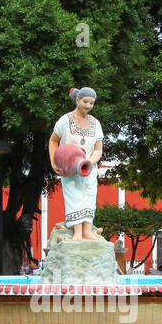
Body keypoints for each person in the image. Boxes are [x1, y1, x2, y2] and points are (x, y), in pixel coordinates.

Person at [48, 86, 105, 241]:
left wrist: (89, 162)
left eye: (92, 103)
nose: (88, 105)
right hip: (70, 168)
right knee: (74, 198)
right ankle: (77, 233)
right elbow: (53, 141)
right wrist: (54, 162)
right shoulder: (65, 120)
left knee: (89, 198)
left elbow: (98, 150)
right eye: (85, 101)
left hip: (89, 169)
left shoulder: (96, 123)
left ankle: (87, 230)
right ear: (78, 99)